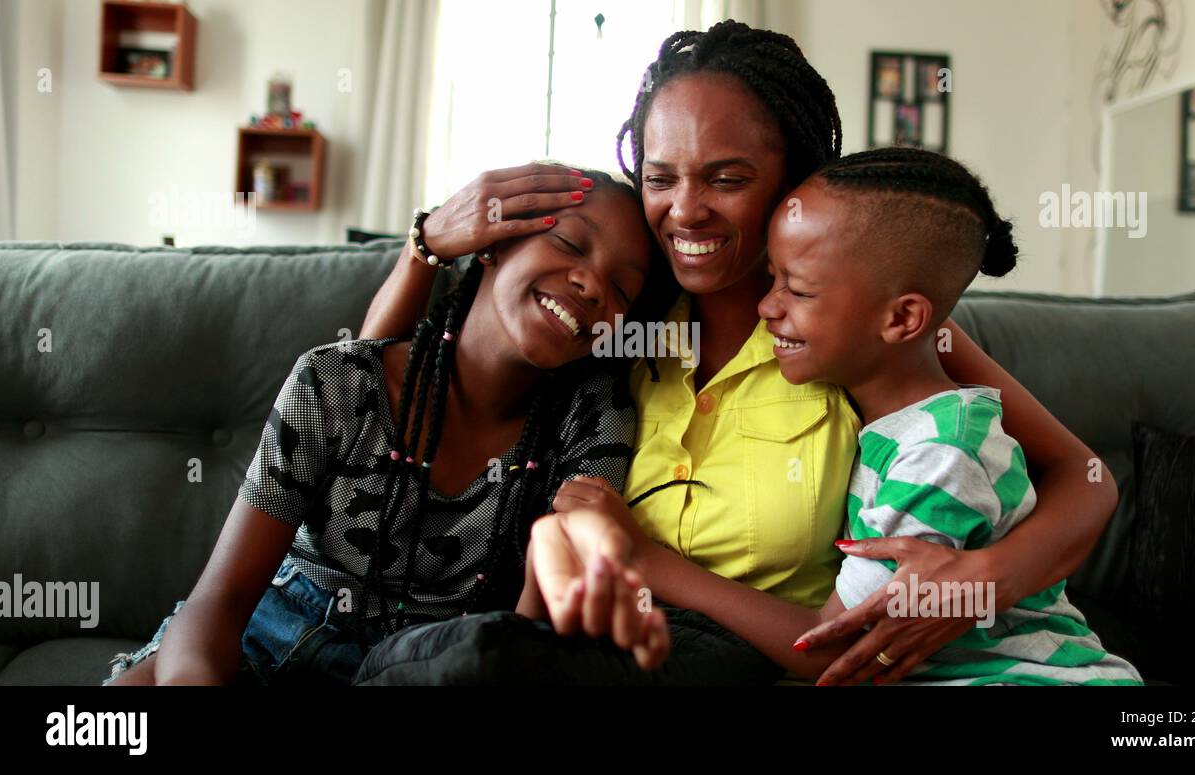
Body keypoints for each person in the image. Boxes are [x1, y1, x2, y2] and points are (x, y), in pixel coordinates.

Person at [354, 21, 1120, 687]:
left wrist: (980, 581)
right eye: (661, 177)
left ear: (792, 184)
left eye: (727, 177)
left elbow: (1086, 482)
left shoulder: (853, 331)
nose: (685, 209)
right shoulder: (620, 305)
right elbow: (369, 395)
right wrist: (423, 248)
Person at [105, 169, 669, 685]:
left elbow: (522, 639)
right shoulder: (335, 381)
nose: (594, 286)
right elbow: (220, 599)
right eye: (571, 244)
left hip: (425, 664)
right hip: (272, 629)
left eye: (622, 288)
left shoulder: (592, 420)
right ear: (492, 244)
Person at [751, 148, 1141, 684]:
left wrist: (649, 564)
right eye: (770, 278)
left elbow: (831, 646)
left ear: (904, 317)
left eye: (795, 289)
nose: (766, 307)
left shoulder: (940, 453)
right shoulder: (902, 418)